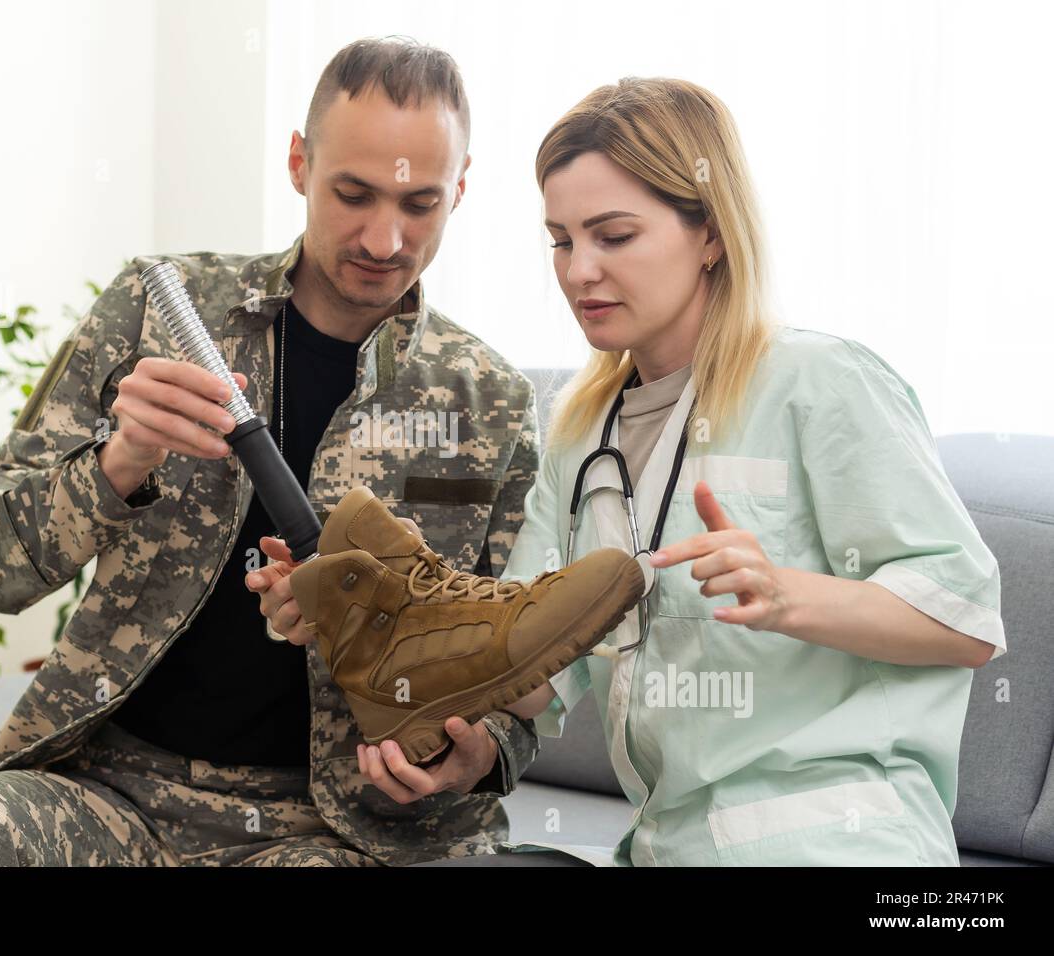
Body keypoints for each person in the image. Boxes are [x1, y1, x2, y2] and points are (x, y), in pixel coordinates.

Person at [264, 77, 1005, 866]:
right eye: (560, 240)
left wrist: (793, 596)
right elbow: (528, 663)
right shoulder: (584, 436)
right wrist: (425, 680)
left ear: (711, 233)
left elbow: (965, 621)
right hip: (663, 850)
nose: (579, 271)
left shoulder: (821, 382)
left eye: (613, 236)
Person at [0, 37, 542, 868]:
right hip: (111, 792)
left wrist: (480, 756)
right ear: (299, 163)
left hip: (330, 832)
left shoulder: (493, 402)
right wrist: (120, 463)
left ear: (462, 191)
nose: (384, 238)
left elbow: (520, 672)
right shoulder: (160, 312)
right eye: (353, 193)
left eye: (421, 204)